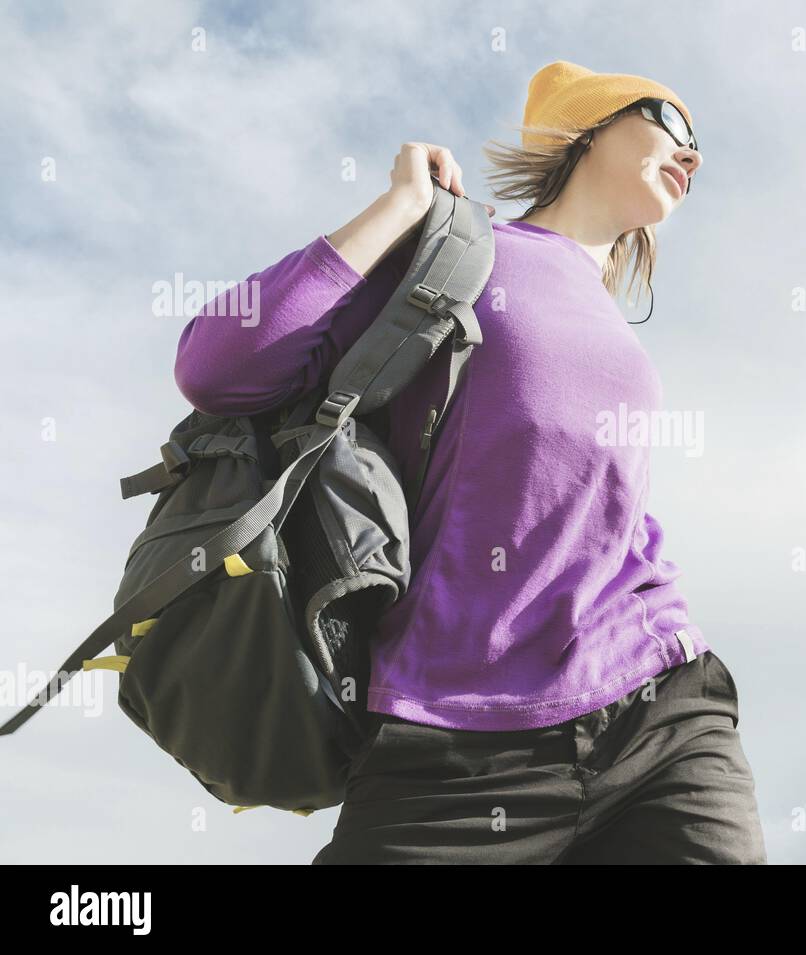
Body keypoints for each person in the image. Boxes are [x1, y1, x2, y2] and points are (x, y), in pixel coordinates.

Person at [173, 60, 766, 864]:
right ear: (585, 127)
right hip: (450, 735)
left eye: (700, 151)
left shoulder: (610, 318)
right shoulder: (463, 252)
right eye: (673, 125)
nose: (690, 157)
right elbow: (217, 364)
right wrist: (402, 208)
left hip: (658, 706)